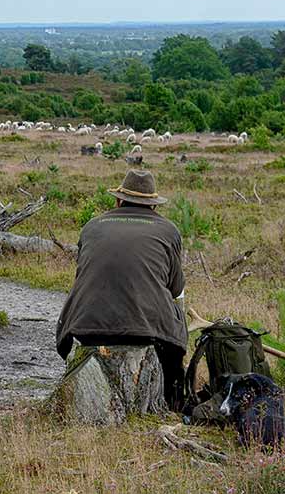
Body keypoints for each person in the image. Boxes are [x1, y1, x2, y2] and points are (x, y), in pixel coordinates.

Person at [55, 169, 187, 410]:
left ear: (118, 200)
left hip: (85, 327)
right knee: (177, 315)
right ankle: (173, 399)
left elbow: (83, 275)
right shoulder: (168, 230)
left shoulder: (92, 226)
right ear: (153, 206)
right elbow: (176, 288)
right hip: (148, 331)